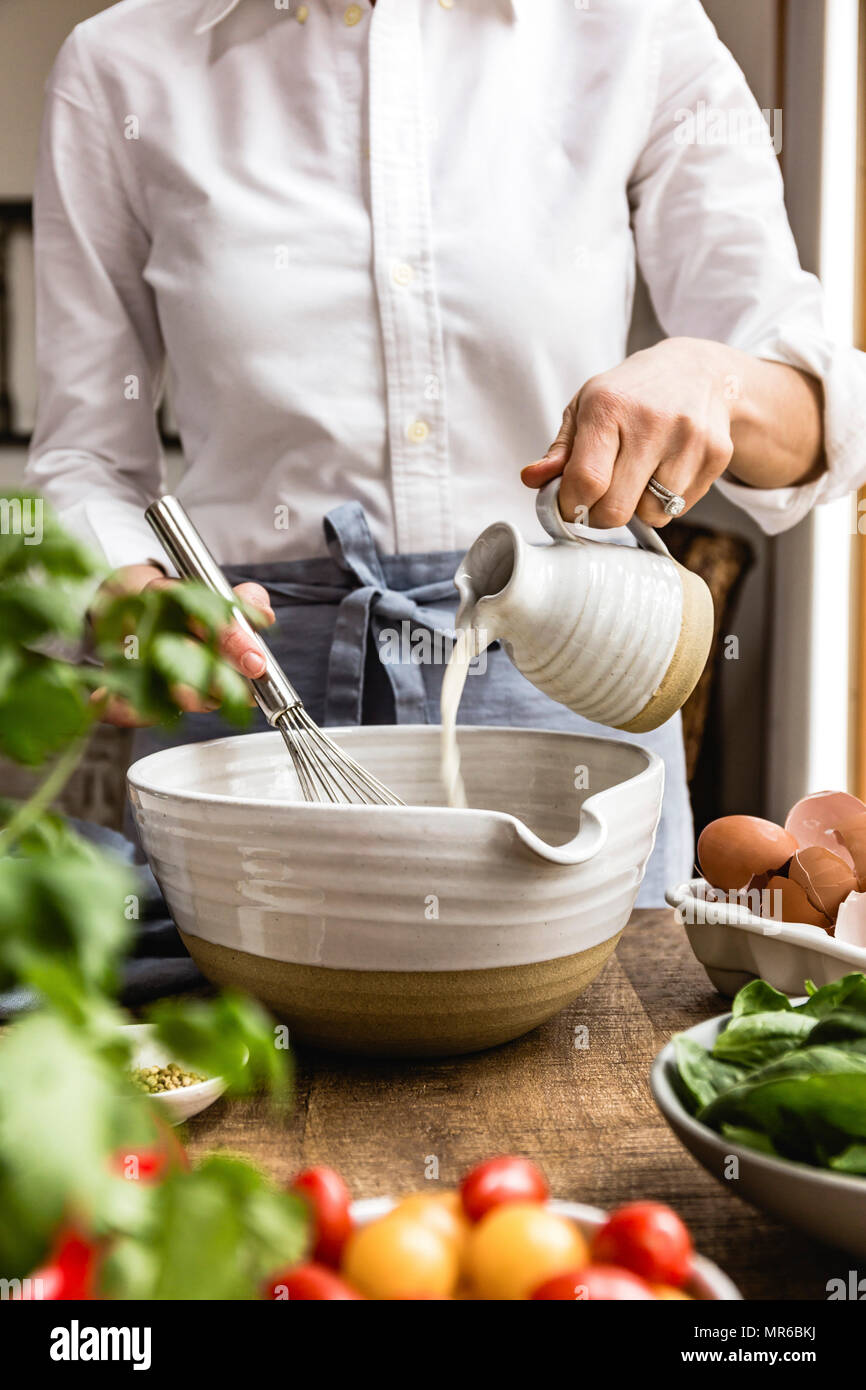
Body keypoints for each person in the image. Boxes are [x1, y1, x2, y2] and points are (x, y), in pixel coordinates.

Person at [25, 0, 866, 904]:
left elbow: (819, 416)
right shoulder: (119, 65)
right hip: (252, 711)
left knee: (603, 1036)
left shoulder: (636, 26)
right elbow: (84, 462)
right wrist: (130, 589)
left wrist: (717, 377)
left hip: (575, 685)